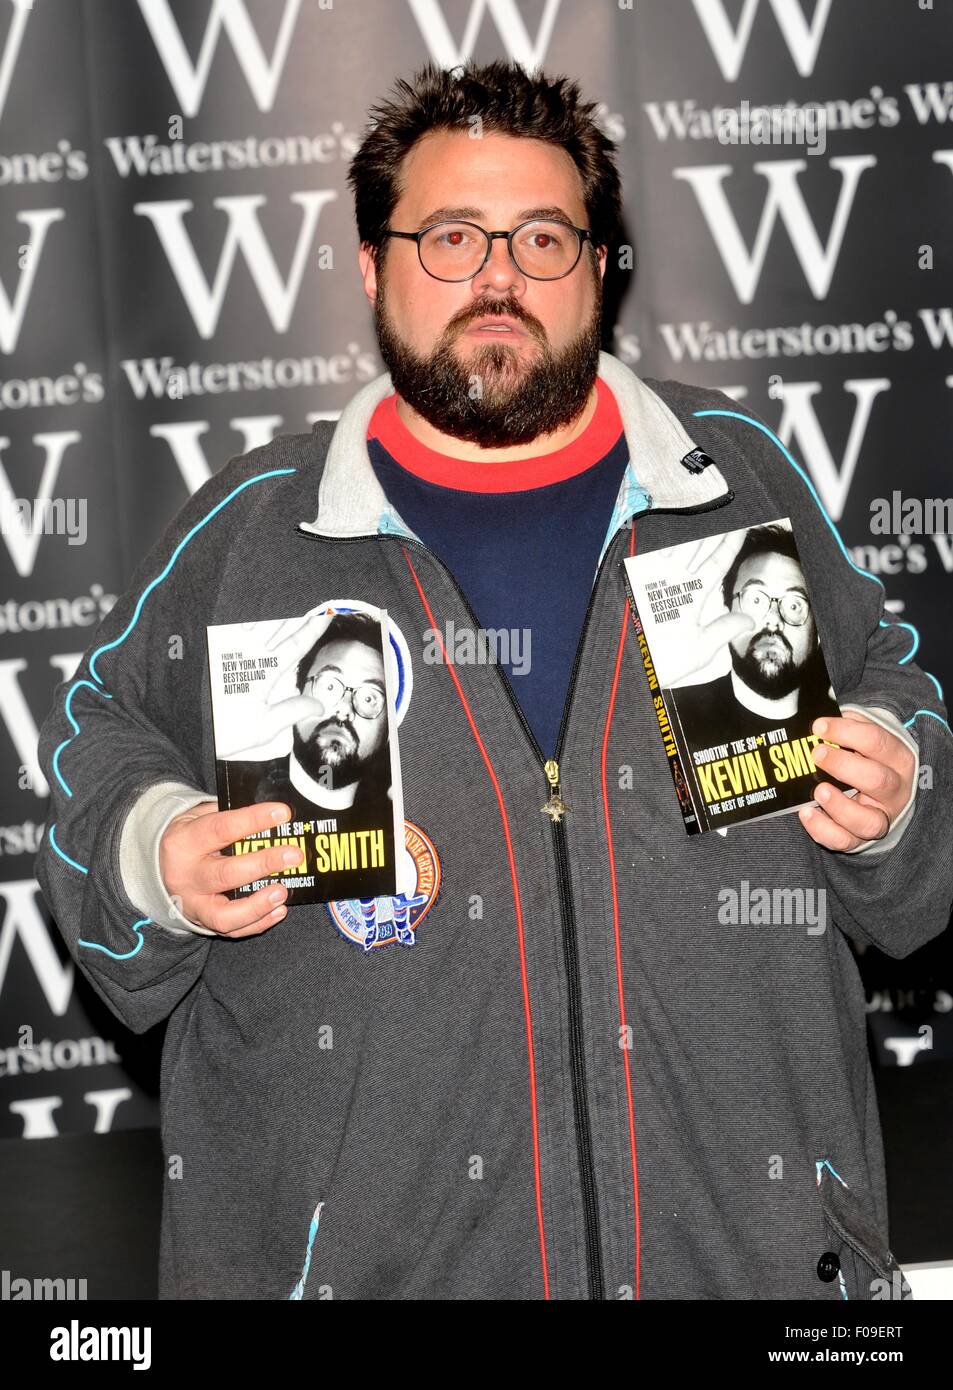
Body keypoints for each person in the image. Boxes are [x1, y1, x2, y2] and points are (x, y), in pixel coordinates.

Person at [34, 61, 948, 1302]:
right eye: (451, 236)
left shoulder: (735, 480)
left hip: (749, 1267)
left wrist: (894, 795)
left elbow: (897, 722)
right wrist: (159, 852)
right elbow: (95, 771)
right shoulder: (251, 534)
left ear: (598, 266)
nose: (499, 276)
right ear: (371, 266)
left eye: (542, 237)